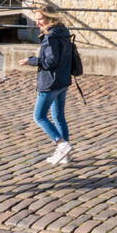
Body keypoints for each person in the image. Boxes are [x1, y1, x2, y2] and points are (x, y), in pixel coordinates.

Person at [19, 9, 74, 165]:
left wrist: (30, 60)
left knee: (39, 116)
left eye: (40, 19)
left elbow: (50, 62)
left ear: (49, 18)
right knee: (58, 117)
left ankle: (61, 144)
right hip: (63, 80)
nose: (38, 22)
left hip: (50, 83)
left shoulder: (50, 37)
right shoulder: (63, 32)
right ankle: (65, 154)